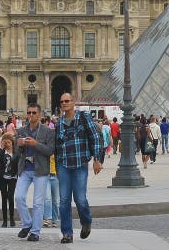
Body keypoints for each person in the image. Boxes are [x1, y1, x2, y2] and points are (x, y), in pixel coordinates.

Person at [54, 93, 103, 244]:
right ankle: (67, 233)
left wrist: (97, 159)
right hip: (63, 165)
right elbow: (57, 147)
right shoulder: (59, 123)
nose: (64, 103)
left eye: (67, 101)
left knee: (80, 199)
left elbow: (95, 137)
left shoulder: (83, 117)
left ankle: (86, 221)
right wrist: (56, 167)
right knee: (64, 201)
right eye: (62, 101)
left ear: (73, 102)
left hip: (80, 163)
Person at [14, 103, 55, 242]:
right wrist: (19, 145)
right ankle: (27, 223)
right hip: (25, 169)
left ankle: (35, 232)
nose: (31, 115)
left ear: (40, 115)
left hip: (40, 170)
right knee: (19, 197)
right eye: (29, 112)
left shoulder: (47, 131)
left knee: (38, 203)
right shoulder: (21, 131)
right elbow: (17, 152)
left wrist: (35, 144)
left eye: (33, 113)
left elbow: (50, 151)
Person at [0, 133, 18, 228]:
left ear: (12, 143)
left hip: (13, 177)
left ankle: (12, 219)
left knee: (10, 197)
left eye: (9, 142)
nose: (7, 144)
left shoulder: (16, 152)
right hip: (3, 177)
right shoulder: (2, 152)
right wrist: (1, 148)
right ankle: (5, 220)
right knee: (4, 199)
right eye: (5, 142)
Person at [43, 154, 60, 229]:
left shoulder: (56, 149)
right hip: (45, 176)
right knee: (47, 198)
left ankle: (54, 220)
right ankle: (47, 219)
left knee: (56, 200)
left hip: (55, 176)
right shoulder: (45, 149)